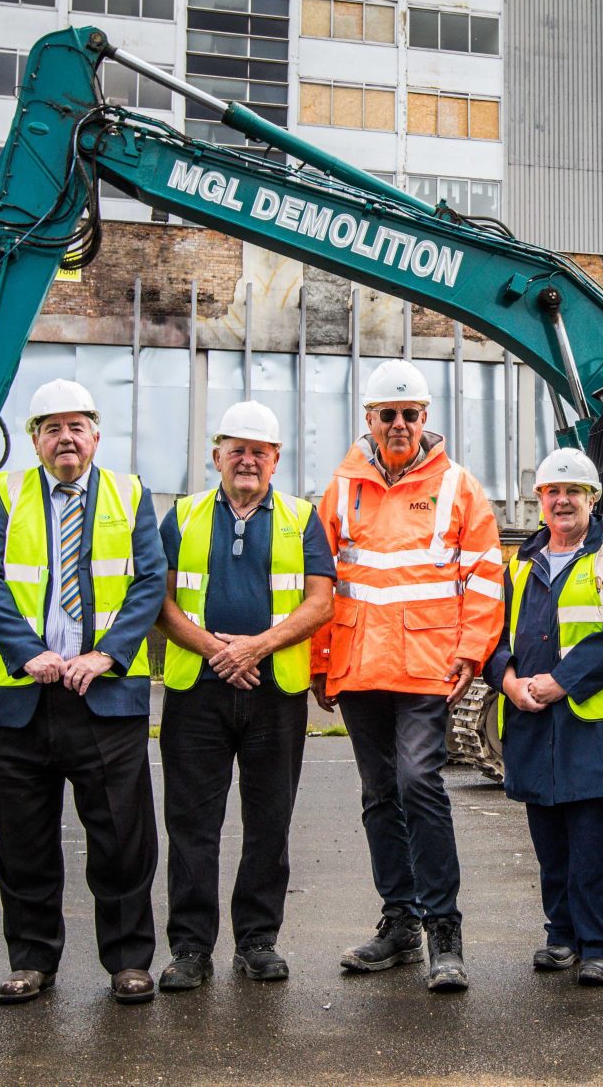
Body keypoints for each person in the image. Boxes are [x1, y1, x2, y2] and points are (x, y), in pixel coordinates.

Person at [0, 379, 167, 1006]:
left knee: (122, 840)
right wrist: (30, 654)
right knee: (23, 841)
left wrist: (106, 655)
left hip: (104, 699)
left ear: (96, 435)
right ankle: (31, 961)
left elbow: (148, 582)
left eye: (76, 426)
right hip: (20, 700)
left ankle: (129, 961)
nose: (66, 438)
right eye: (51, 428)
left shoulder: (130, 493)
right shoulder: (3, 492)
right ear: (33, 441)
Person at [314, 359, 504, 992]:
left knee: (419, 781)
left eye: (410, 414)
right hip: (360, 664)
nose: (399, 425)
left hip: (426, 665)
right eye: (387, 415)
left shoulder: (458, 487)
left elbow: (483, 574)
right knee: (378, 794)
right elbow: (319, 583)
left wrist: (472, 650)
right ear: (369, 419)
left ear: (426, 419)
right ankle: (400, 924)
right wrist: (320, 661)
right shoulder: (342, 488)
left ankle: (443, 931)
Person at [153, 401, 336, 990]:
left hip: (274, 692)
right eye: (237, 449)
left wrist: (255, 648)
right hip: (196, 692)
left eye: (260, 451)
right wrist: (217, 651)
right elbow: (158, 602)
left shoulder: (302, 518)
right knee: (191, 825)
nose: (248, 460)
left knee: (269, 823)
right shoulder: (180, 517)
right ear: (217, 457)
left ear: (277, 459)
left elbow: (320, 601)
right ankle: (189, 948)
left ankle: (258, 940)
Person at [486, 449, 603, 987]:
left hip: (596, 727)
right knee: (550, 843)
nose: (562, 501)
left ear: (592, 499)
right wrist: (508, 681)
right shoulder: (519, 565)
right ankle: (562, 935)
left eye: (573, 492)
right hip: (534, 724)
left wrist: (562, 680)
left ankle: (602, 945)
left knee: (594, 845)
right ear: (540, 500)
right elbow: (493, 637)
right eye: (552, 492)